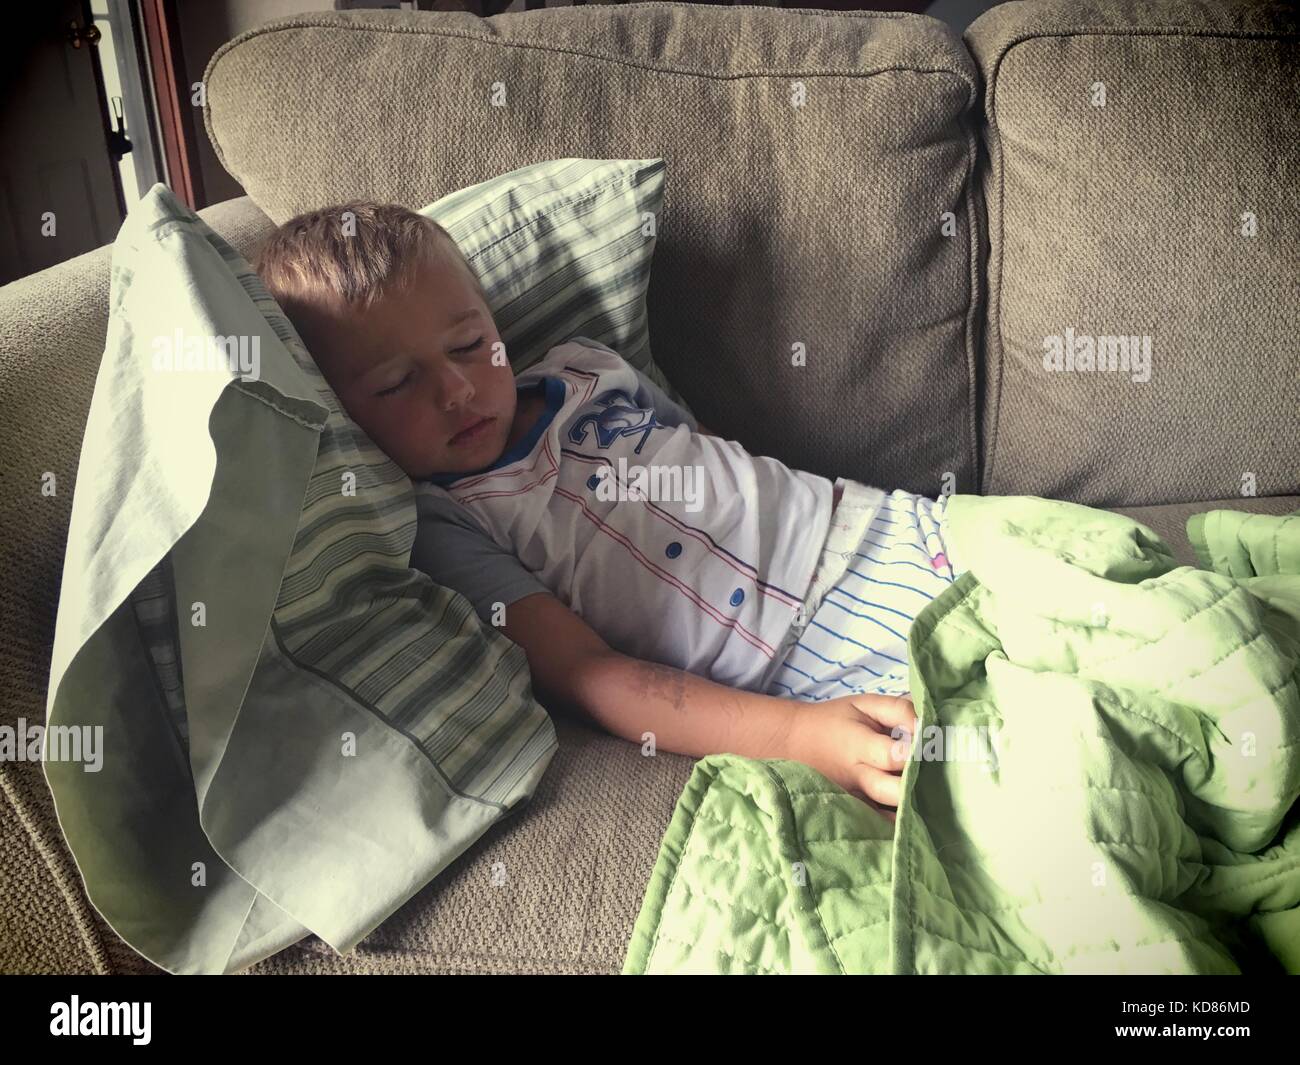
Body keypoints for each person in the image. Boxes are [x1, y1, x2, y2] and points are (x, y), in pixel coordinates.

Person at [256, 201, 963, 818]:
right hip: (807, 654)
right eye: (396, 383)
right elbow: (590, 673)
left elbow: (710, 446)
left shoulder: (585, 368)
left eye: (470, 345)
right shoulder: (448, 525)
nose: (457, 390)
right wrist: (796, 736)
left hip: (885, 523)